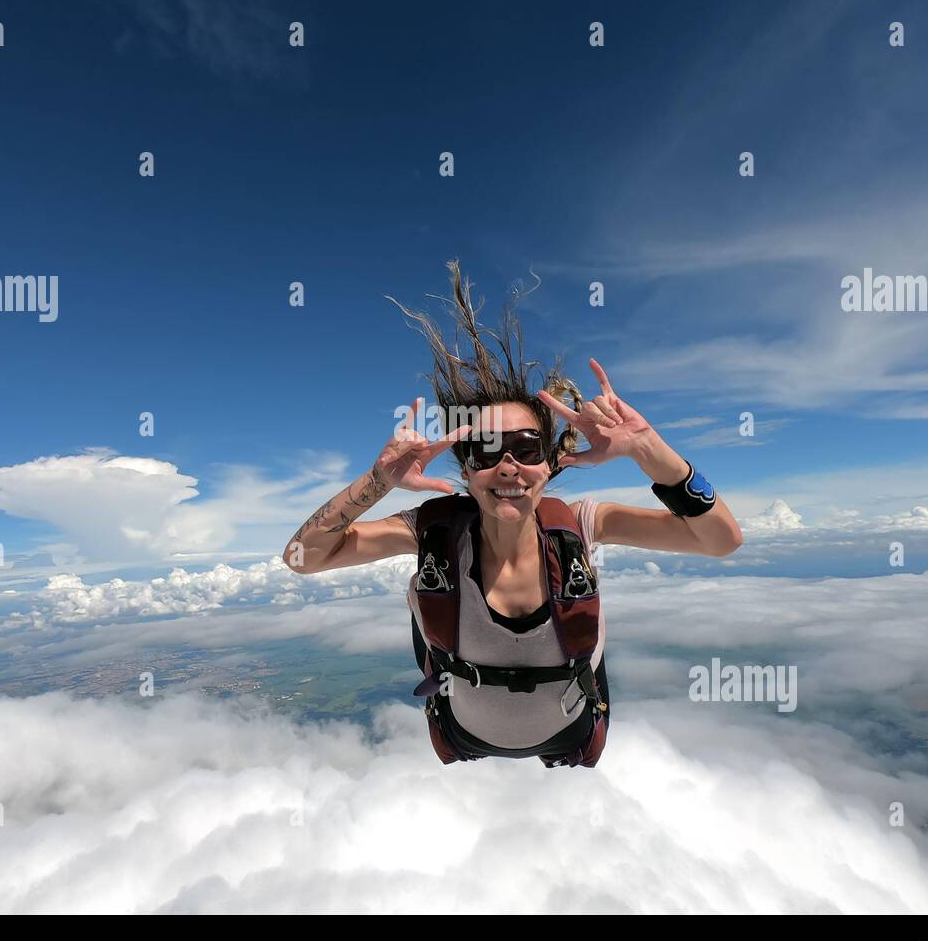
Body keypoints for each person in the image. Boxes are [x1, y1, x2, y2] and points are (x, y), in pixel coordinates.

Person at [283, 261, 742, 768]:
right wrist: (377, 483)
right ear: (465, 470)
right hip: (464, 734)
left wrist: (649, 451)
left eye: (526, 448)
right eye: (485, 450)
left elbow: (721, 540)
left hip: (572, 733)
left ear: (549, 464)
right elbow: (304, 558)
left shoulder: (584, 524)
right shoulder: (432, 531)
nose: (508, 465)